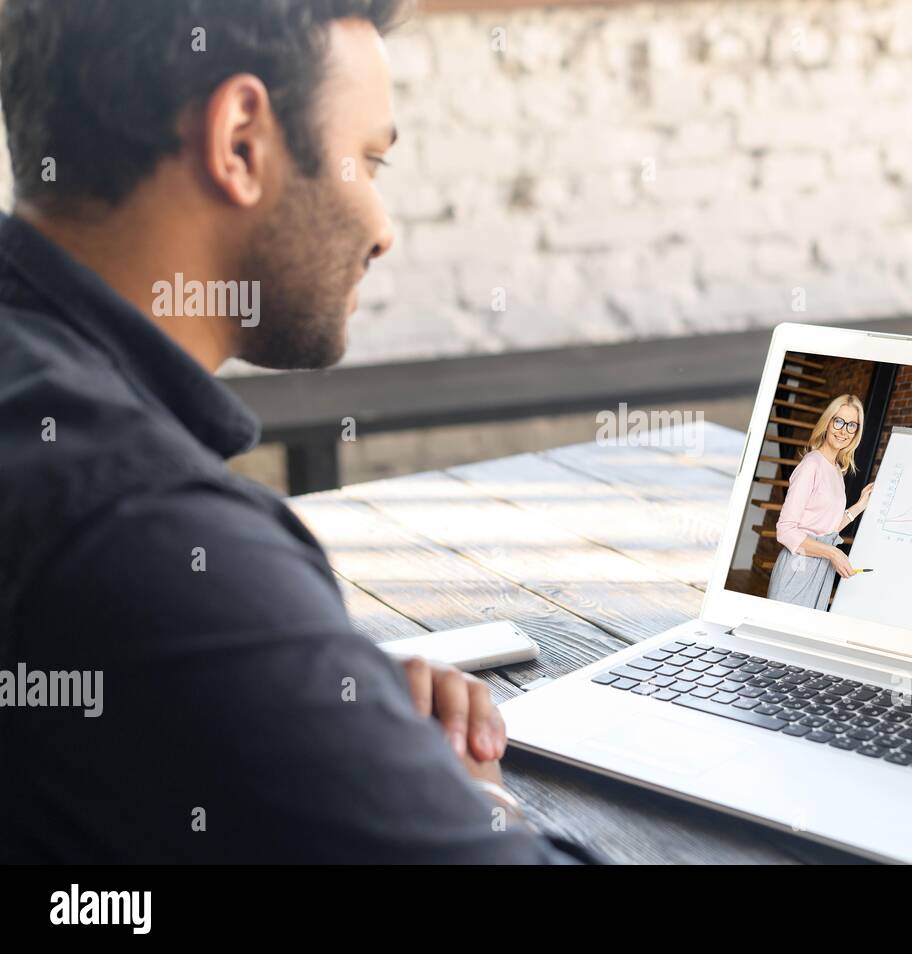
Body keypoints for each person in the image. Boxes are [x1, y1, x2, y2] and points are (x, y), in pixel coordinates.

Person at [0, 0, 593, 863]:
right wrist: (472, 797)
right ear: (241, 141)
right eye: (368, 160)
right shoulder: (149, 536)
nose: (382, 231)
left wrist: (300, 713)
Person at [767, 396, 873, 610]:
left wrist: (859, 506)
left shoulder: (836, 469)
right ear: (828, 421)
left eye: (852, 425)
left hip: (820, 570)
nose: (844, 431)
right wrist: (833, 552)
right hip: (798, 568)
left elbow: (826, 528)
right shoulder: (811, 465)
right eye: (839, 421)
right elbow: (785, 531)